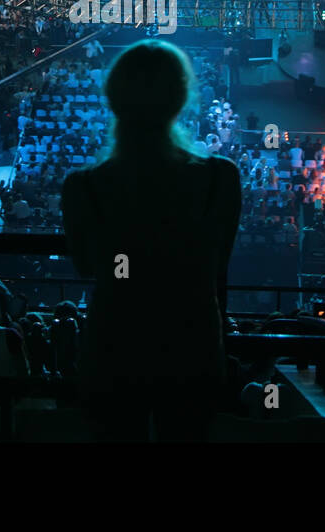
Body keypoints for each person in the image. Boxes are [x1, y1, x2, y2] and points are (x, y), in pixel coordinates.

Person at [61, 40, 242, 441]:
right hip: (192, 349)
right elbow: (218, 262)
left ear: (113, 99)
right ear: (182, 99)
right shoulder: (220, 179)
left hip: (113, 348)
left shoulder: (82, 188)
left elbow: (88, 265)